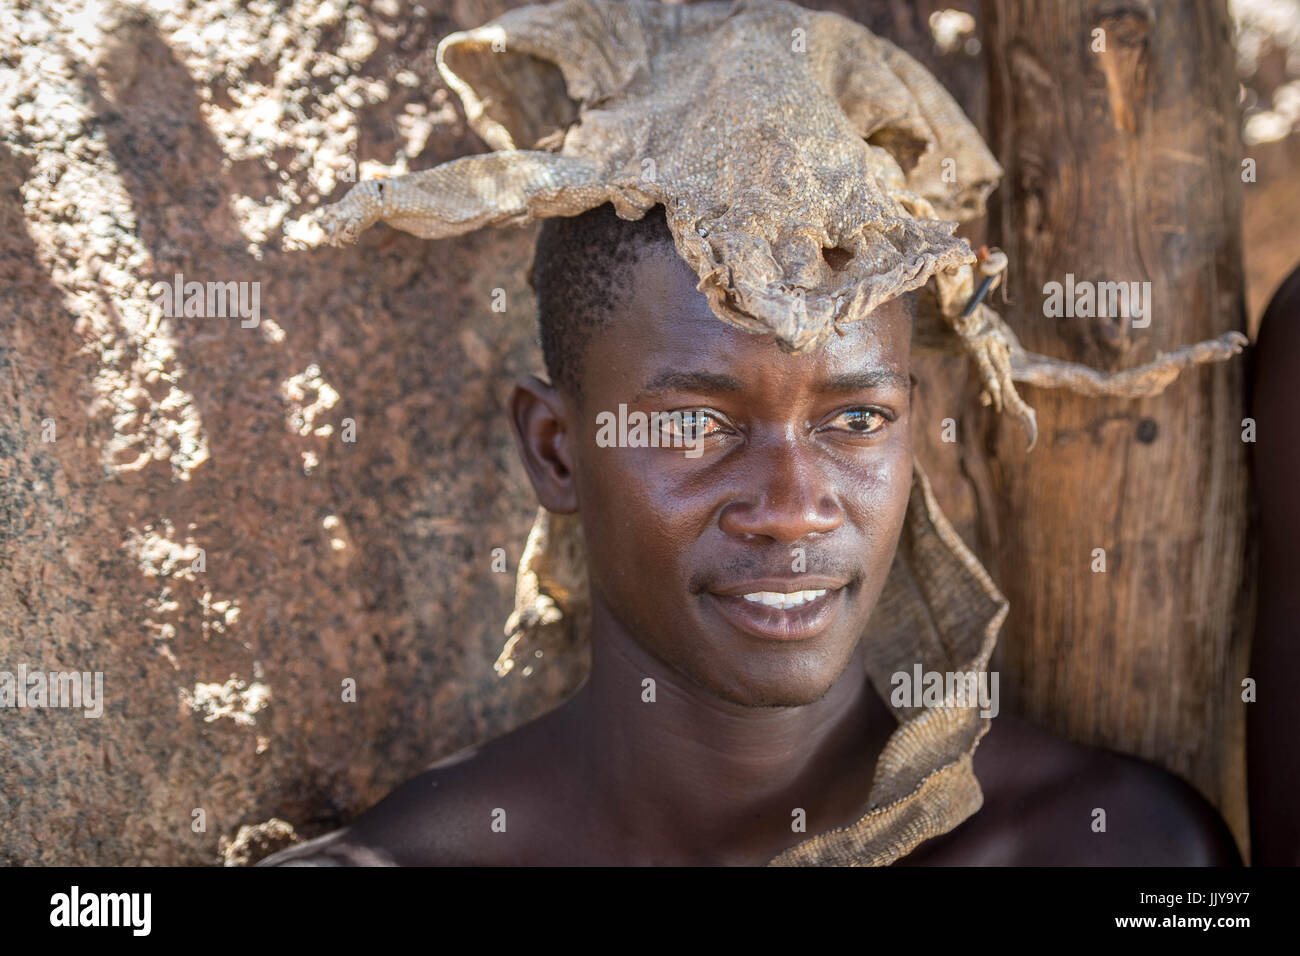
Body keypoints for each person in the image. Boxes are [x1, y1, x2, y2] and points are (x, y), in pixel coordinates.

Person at [261, 203, 1240, 867]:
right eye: (694, 424)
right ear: (556, 449)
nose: (792, 503)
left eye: (854, 419)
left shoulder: (1109, 847)